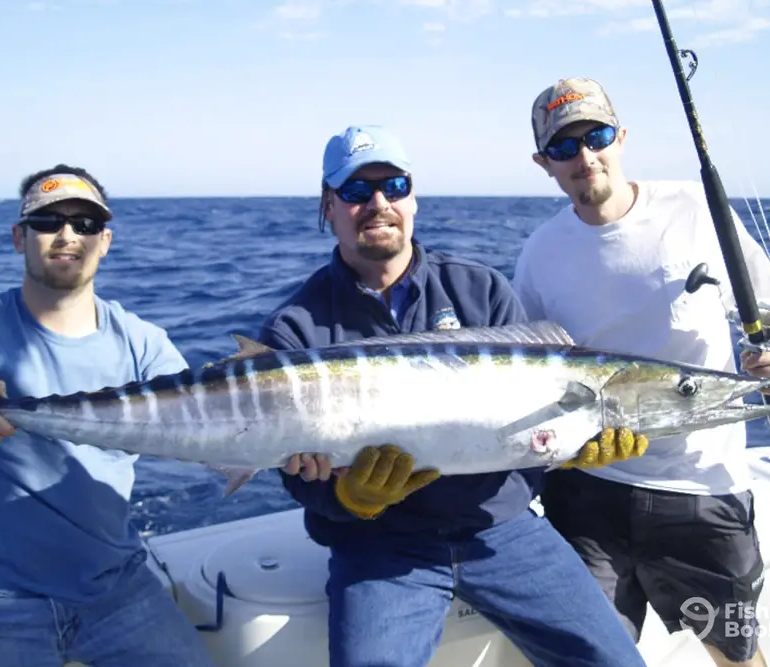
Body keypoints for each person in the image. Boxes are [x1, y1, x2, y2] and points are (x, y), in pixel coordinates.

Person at [257, 123, 651, 667]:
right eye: (355, 191)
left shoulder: (480, 289)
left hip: (503, 528)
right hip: (381, 545)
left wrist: (570, 452)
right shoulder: (295, 329)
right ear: (328, 206)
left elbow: (529, 427)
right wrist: (349, 500)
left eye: (393, 187)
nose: (378, 204)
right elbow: (291, 468)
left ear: (413, 198)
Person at [512, 77, 770, 667]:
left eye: (598, 136)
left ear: (622, 138)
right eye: (564, 148)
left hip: (701, 490)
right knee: (589, 656)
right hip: (587, 489)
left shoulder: (693, 211)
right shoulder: (539, 252)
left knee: (736, 654)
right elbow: (529, 369)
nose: (585, 156)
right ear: (545, 163)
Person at [0, 165, 216, 667]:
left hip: (121, 590)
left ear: (104, 241)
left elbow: (210, 428)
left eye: (84, 224)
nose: (67, 235)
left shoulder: (143, 343)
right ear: (19, 238)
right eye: (47, 222)